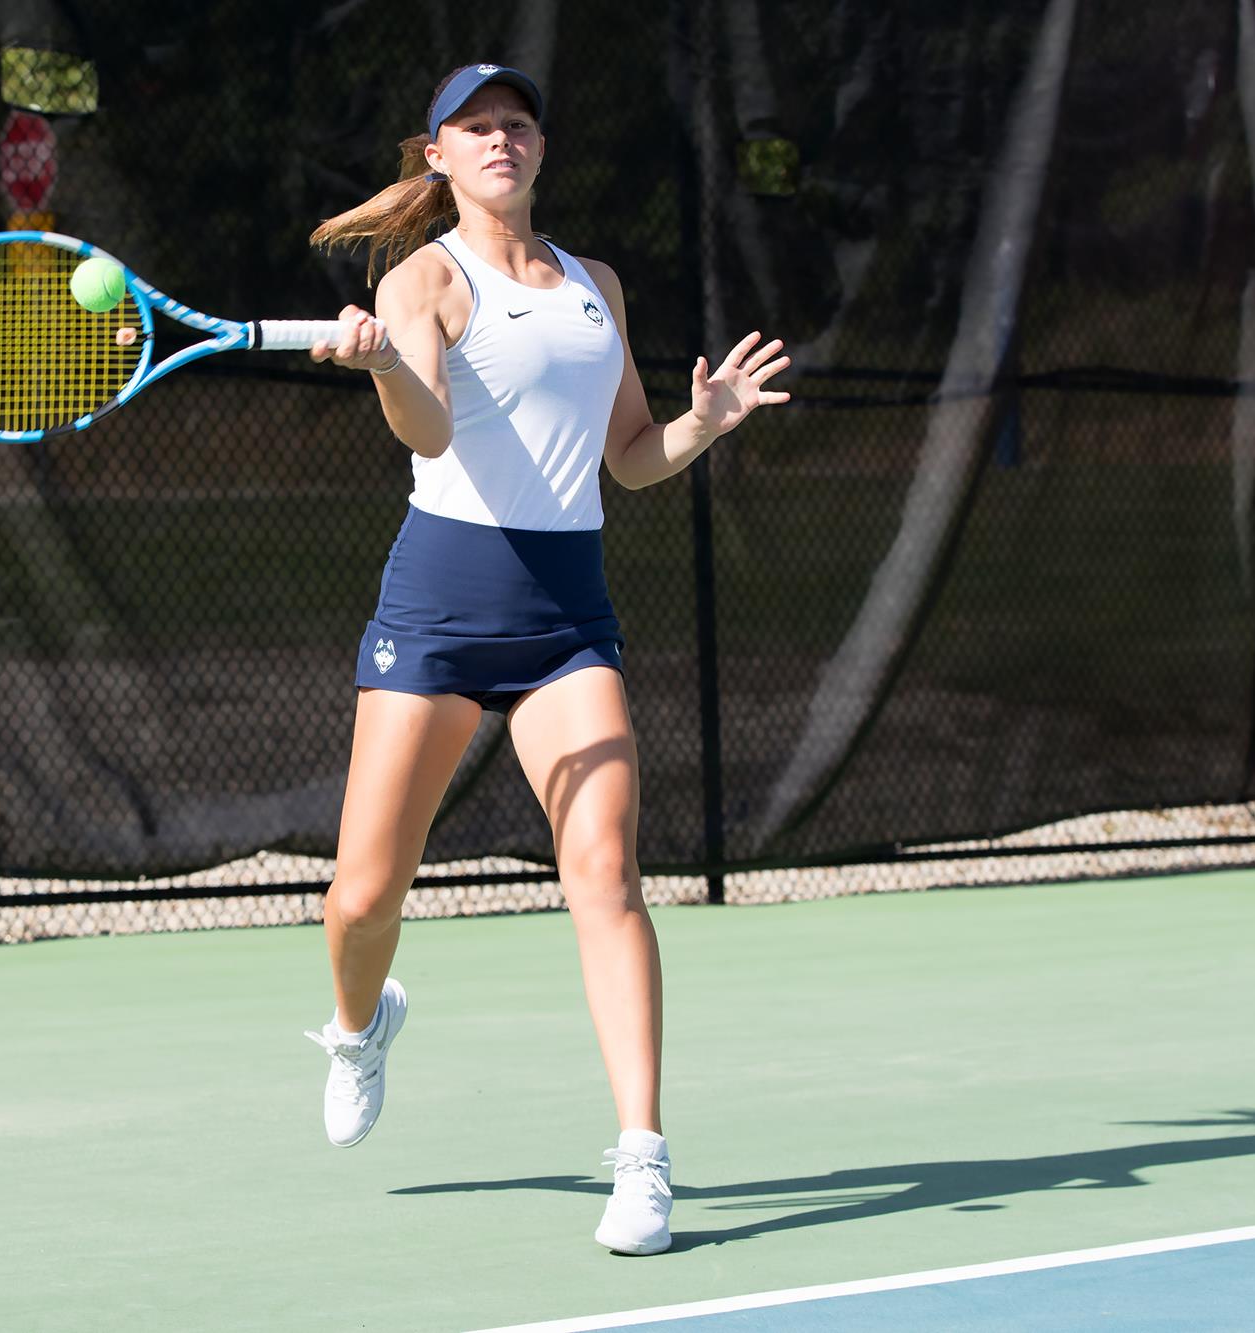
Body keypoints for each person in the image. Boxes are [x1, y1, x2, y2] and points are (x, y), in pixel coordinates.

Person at [299, 62, 789, 1256]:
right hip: (438, 609)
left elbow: (629, 455)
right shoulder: (420, 278)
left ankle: (643, 1158)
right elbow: (428, 430)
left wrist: (703, 422)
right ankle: (359, 1028)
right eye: (475, 128)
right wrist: (384, 364)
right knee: (360, 898)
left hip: (567, 621)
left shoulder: (593, 286)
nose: (500, 140)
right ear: (437, 156)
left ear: (537, 147)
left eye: (515, 124)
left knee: (606, 875)